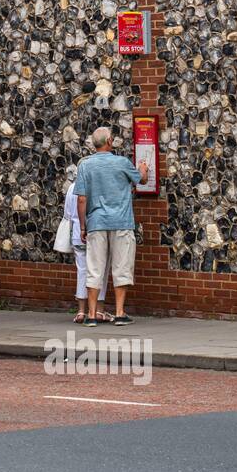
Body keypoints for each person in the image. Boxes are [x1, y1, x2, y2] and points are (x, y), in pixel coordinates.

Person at [74, 126, 150, 327]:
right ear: (109, 141)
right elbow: (141, 179)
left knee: (94, 268)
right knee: (121, 267)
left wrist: (83, 226)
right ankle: (119, 312)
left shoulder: (85, 166)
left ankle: (91, 314)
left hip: (96, 223)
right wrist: (143, 167)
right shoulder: (122, 163)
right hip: (121, 222)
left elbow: (81, 199)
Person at [61, 164, 101, 324]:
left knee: (82, 270)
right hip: (94, 231)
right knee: (98, 271)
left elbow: (68, 214)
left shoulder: (71, 188)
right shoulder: (93, 187)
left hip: (77, 233)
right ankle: (98, 310)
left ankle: (81, 311)